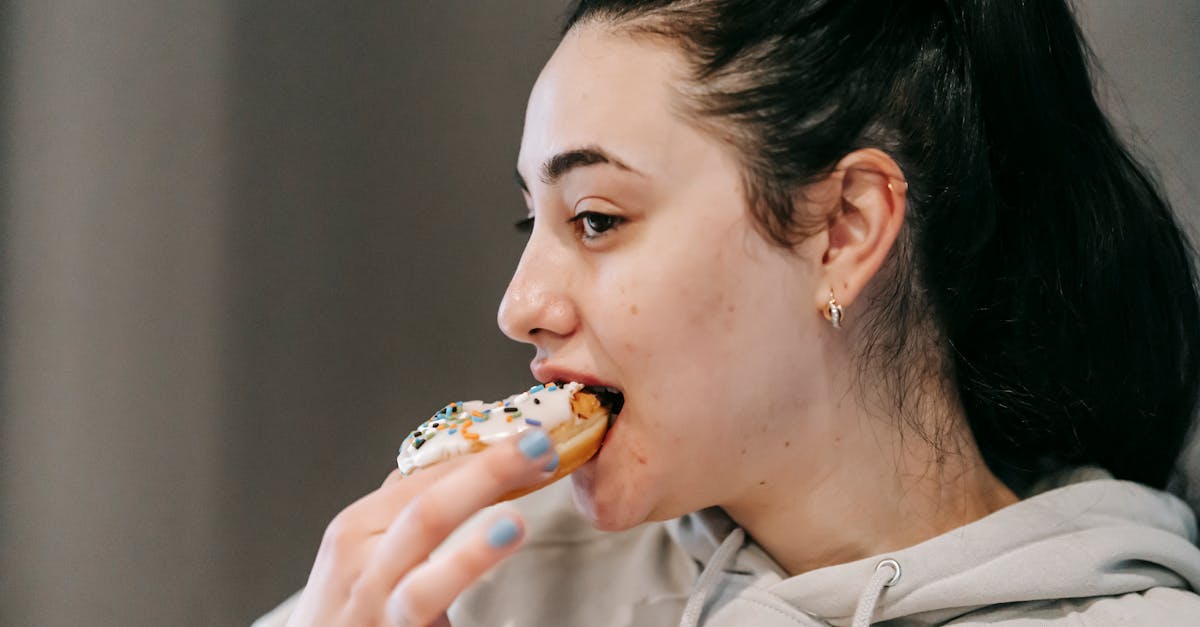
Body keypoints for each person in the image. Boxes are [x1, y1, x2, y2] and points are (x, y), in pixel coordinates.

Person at [255, 1, 1200, 625]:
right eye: (529, 218)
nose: (519, 307)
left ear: (842, 227)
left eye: (595, 217)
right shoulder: (473, 579)